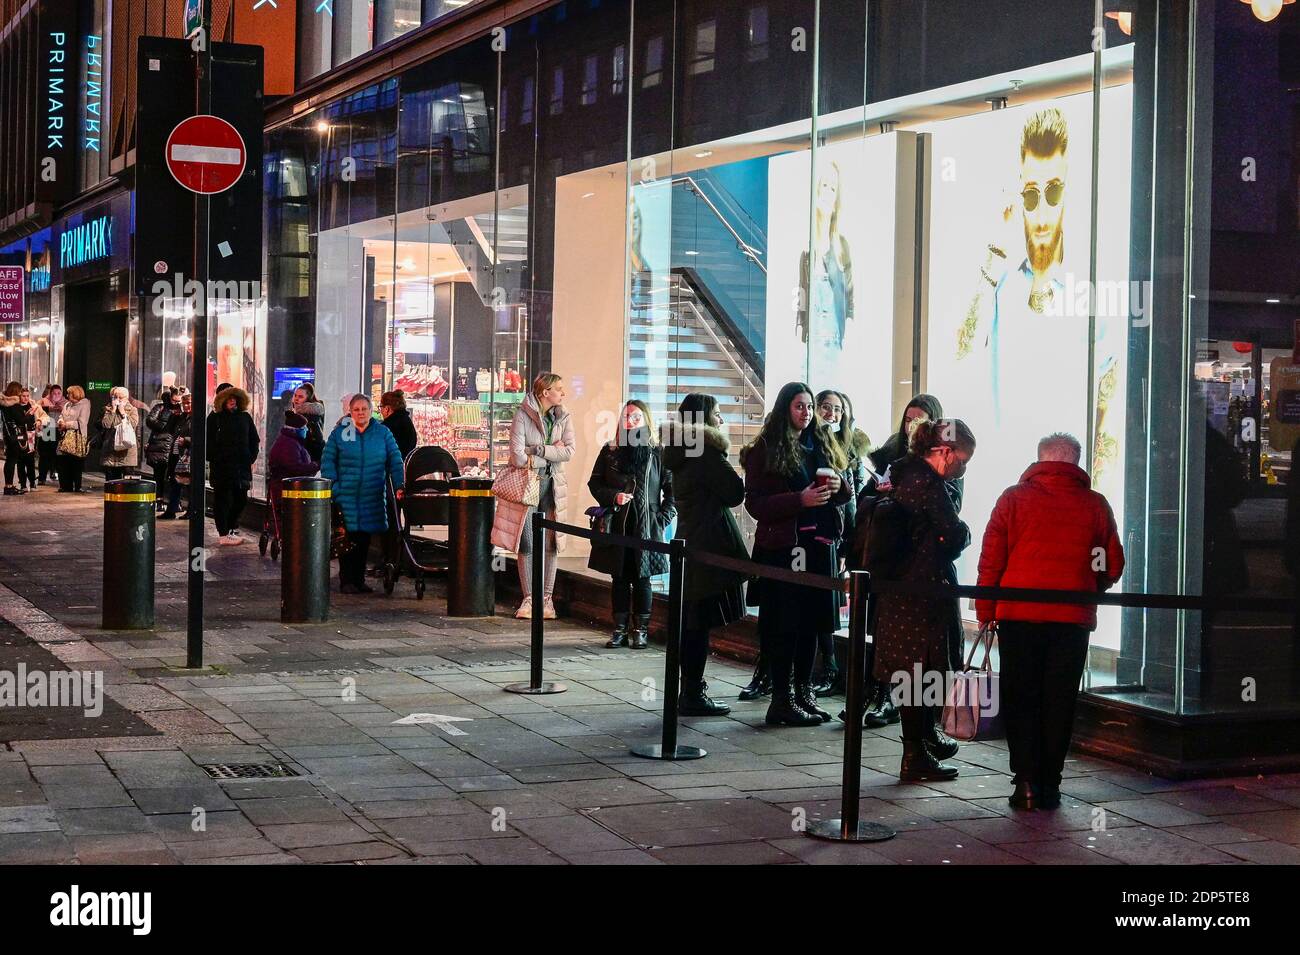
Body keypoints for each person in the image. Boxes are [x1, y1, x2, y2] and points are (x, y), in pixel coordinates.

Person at [976, 433, 1124, 810]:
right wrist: (1091, 587)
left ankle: (1024, 782)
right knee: (1059, 700)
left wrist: (986, 611)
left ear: (1039, 460)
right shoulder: (1095, 505)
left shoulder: (1012, 498)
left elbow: (991, 559)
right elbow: (1111, 563)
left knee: (1021, 696)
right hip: (1070, 618)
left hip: (1019, 615)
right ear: (1075, 463)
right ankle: (1050, 784)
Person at [742, 381, 851, 727]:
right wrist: (797, 501)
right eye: (799, 407)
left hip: (819, 547)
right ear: (784, 409)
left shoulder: (821, 441)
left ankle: (804, 693)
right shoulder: (766, 447)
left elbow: (845, 490)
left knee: (814, 624)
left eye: (808, 407)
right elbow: (755, 503)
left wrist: (839, 487)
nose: (805, 413)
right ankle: (782, 699)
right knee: (785, 624)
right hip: (784, 549)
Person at [873, 416, 975, 782]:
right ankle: (915, 755)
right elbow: (952, 534)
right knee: (919, 672)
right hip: (922, 591)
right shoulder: (927, 483)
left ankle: (922, 743)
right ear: (944, 452)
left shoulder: (901, 472)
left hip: (901, 591)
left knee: (910, 671)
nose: (962, 469)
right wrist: (964, 534)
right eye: (962, 461)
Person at [662, 393, 746, 716]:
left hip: (690, 542)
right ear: (704, 419)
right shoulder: (705, 453)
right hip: (709, 545)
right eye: (718, 413)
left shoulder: (681, 450)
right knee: (698, 625)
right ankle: (693, 693)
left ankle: (689, 690)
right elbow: (734, 492)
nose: (721, 420)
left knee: (693, 622)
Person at [588, 400, 676, 651]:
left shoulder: (658, 452)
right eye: (627, 417)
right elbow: (595, 484)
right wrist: (613, 496)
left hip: (647, 524)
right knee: (619, 578)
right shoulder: (610, 450)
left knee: (643, 579)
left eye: (636, 417)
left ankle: (641, 631)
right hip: (618, 522)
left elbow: (672, 492)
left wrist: (663, 518)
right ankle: (619, 630)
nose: (631, 421)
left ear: (646, 420)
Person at [490, 373, 575, 620]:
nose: (563, 393)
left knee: (551, 543)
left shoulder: (564, 416)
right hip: (527, 485)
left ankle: (546, 600)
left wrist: (536, 451)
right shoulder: (522, 416)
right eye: (559, 389)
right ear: (545, 392)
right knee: (525, 542)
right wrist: (549, 453)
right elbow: (517, 457)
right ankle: (529, 599)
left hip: (553, 486)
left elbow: (569, 451)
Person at [810, 389, 873, 696]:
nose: (832, 414)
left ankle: (835, 668)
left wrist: (851, 540)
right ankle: (827, 666)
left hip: (843, 530)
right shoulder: (811, 443)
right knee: (819, 599)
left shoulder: (854, 448)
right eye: (826, 407)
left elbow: (858, 497)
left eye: (837, 409)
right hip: (815, 529)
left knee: (835, 599)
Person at [320, 394, 405, 593]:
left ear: (371, 410)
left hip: (372, 495)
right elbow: (327, 460)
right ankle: (346, 580)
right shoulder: (340, 433)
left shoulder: (383, 433)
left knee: (364, 539)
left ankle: (358, 579)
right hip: (345, 494)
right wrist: (334, 486)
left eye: (364, 409)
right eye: (356, 409)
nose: (360, 413)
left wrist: (399, 484)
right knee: (346, 538)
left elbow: (395, 459)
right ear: (350, 411)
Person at [206, 385, 260, 545]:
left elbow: (254, 439)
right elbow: (207, 442)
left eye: (234, 398)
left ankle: (230, 528)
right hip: (222, 467)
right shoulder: (214, 419)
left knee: (241, 498)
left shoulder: (244, 417)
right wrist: (214, 457)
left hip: (241, 466)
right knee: (223, 499)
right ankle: (223, 533)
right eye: (228, 398)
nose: (232, 401)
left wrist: (250, 457)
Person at [145, 388, 184, 510]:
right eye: (174, 400)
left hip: (174, 446)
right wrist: (164, 425)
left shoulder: (182, 410)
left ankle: (174, 502)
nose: (176, 403)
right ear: (169, 397)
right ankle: (159, 501)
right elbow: (150, 420)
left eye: (178, 401)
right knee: (159, 475)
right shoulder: (160, 407)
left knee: (175, 476)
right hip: (160, 446)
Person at [162, 391, 194, 520]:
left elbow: (199, 437)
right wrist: (174, 415)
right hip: (176, 455)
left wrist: (186, 440)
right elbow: (169, 429)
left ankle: (191, 511)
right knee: (174, 482)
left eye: (188, 403)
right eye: (184, 403)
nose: (186, 406)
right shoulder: (181, 417)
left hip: (187, 456)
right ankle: (171, 510)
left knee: (188, 484)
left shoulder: (195, 419)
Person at [1, 383, 36, 495]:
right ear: (16, 391)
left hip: (8, 435)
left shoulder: (4, 404)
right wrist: (29, 414)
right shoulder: (15, 405)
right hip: (16, 436)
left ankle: (8, 485)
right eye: (20, 391)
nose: (21, 394)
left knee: (9, 461)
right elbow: (21, 421)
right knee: (12, 460)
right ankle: (9, 487)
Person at [100, 386, 141, 481]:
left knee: (128, 481)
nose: (117, 400)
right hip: (111, 449)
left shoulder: (132, 409)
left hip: (126, 450)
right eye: (115, 397)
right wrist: (113, 411)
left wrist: (123, 413)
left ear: (126, 398)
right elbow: (106, 424)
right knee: (112, 481)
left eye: (120, 397)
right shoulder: (108, 409)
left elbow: (133, 425)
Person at [55, 386, 91, 493]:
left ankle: (77, 486)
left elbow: (82, 423)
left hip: (77, 437)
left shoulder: (84, 405)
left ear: (75, 394)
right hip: (64, 436)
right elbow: (61, 415)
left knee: (76, 462)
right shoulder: (67, 404)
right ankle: (65, 485)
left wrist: (66, 424)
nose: (67, 395)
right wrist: (60, 421)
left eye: (69, 393)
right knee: (63, 461)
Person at [292, 383, 327, 464]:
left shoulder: (309, 416)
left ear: (307, 399)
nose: (296, 399)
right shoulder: (301, 414)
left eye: (300, 397)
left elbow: (317, 439)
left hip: (307, 457)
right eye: (295, 395)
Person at [378, 390, 417, 461]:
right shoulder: (407, 421)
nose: (380, 411)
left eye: (381, 407)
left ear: (387, 409)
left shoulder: (386, 426)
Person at [37, 384, 64, 485]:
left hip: (60, 428)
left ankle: (58, 475)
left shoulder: (65, 401)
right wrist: (50, 408)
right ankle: (42, 477)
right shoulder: (44, 400)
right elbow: (37, 407)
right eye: (54, 393)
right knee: (45, 454)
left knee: (58, 454)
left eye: (59, 393)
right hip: (49, 426)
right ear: (50, 393)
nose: (56, 395)